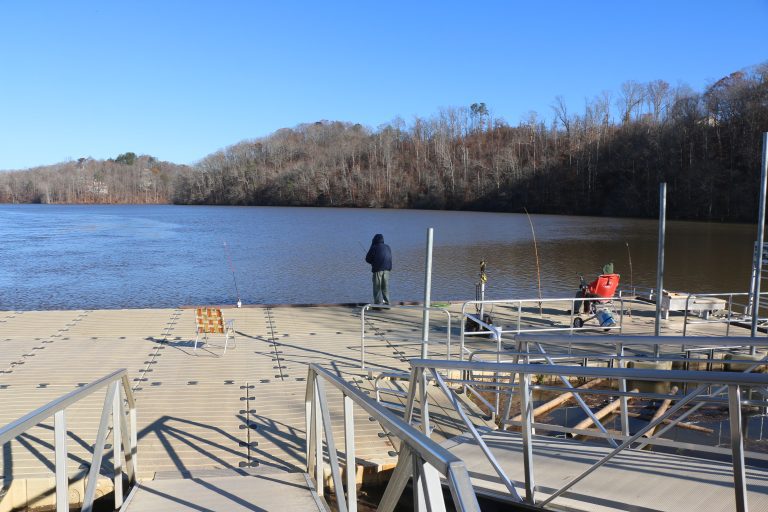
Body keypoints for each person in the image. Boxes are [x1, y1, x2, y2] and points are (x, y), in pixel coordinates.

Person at [365, 234, 392, 305]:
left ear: (374, 240)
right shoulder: (388, 247)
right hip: (387, 270)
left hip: (378, 270)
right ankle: (387, 303)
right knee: (385, 287)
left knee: (377, 288)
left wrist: (372, 246)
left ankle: (377, 304)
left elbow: (367, 259)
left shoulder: (374, 247)